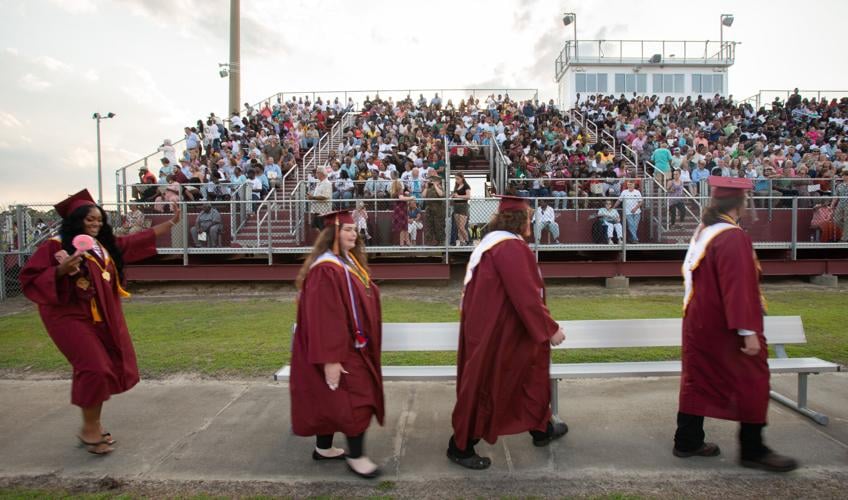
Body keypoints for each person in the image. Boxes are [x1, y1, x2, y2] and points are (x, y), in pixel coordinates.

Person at [19, 189, 180, 455]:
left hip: (99, 315)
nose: (96, 224)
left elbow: (137, 240)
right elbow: (31, 278)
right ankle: (89, 429)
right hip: (67, 315)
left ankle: (92, 424)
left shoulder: (102, 246)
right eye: (89, 219)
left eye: (99, 220)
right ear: (76, 221)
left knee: (103, 368)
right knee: (94, 368)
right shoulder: (55, 246)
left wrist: (173, 222)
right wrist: (60, 270)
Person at [675, 177, 798, 473]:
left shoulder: (704, 231)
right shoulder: (732, 237)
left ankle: (687, 441)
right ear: (740, 203)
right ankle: (753, 449)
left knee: (698, 378)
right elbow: (738, 286)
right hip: (725, 323)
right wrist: (748, 331)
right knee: (753, 379)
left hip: (698, 319)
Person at [448, 195, 567, 470]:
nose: (531, 222)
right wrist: (550, 329)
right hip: (502, 333)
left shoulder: (491, 245)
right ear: (519, 220)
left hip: (503, 329)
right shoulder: (509, 248)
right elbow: (526, 295)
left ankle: (541, 429)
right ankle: (460, 446)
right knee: (490, 384)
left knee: (527, 378)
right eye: (529, 217)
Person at [290, 210, 385, 479]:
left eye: (355, 229)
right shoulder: (326, 269)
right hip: (338, 349)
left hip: (348, 345)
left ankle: (324, 448)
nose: (354, 233)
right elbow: (325, 317)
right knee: (358, 398)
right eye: (347, 229)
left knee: (328, 398)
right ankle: (357, 457)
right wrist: (331, 359)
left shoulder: (346, 262)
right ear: (333, 234)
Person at [423, 174, 445, 245]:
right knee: (429, 226)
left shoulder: (440, 187)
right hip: (429, 209)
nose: (432, 181)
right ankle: (430, 242)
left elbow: (441, 194)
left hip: (438, 210)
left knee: (438, 226)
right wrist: (426, 187)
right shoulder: (428, 188)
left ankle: (440, 241)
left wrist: (436, 185)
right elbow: (423, 196)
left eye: (434, 180)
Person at [452, 173, 471, 245]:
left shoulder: (466, 186)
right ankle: (462, 242)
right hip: (456, 207)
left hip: (463, 207)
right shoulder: (456, 186)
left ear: (462, 178)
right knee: (458, 227)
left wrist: (458, 196)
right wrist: (453, 196)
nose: (456, 180)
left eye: (458, 179)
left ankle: (467, 241)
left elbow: (468, 196)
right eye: (455, 179)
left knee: (461, 227)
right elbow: (455, 195)